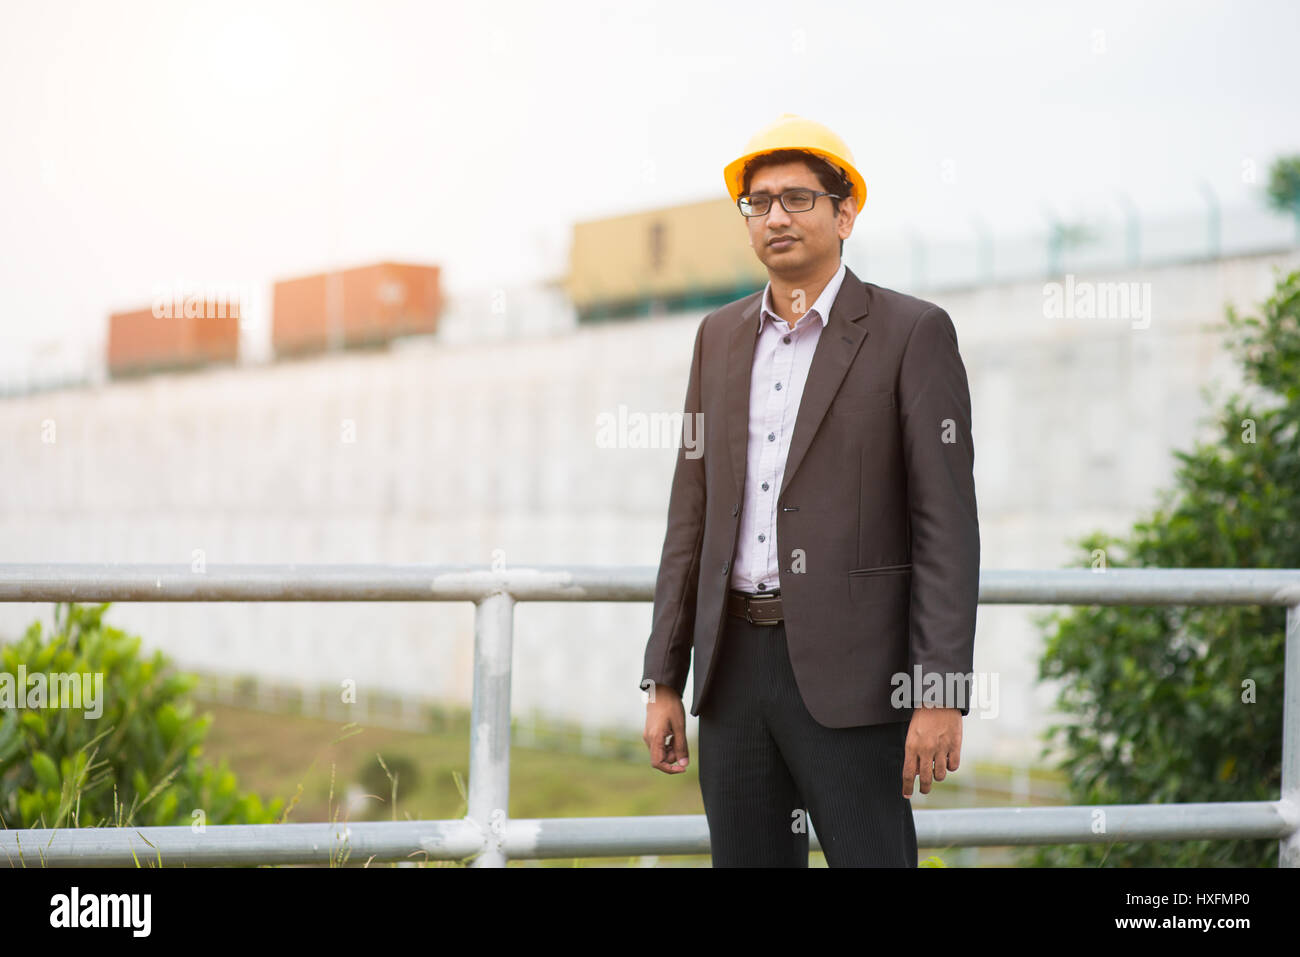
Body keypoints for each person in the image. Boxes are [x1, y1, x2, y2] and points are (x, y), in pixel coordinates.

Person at [639, 113, 980, 867]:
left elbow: (946, 528)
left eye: (797, 198)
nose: (775, 217)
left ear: (845, 210)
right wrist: (664, 675)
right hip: (732, 675)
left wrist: (940, 690)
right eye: (758, 203)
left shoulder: (912, 333)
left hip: (857, 678)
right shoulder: (717, 337)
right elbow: (689, 512)